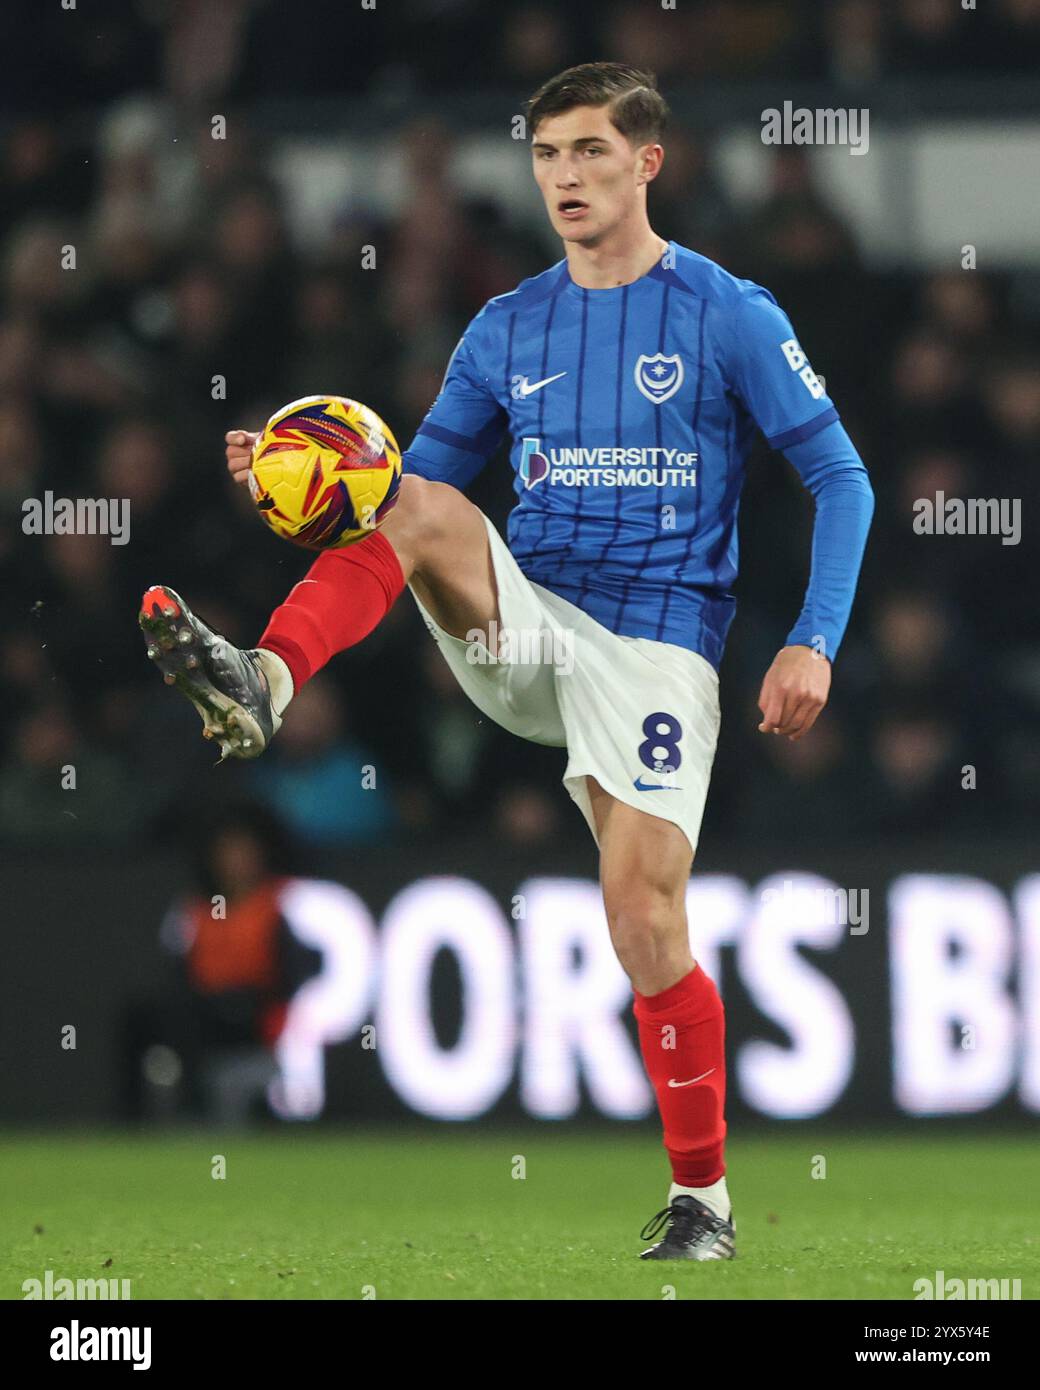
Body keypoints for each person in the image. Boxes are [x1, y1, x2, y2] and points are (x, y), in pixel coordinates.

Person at [139, 63, 874, 1259]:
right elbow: (396, 493)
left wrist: (812, 637)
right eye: (544, 156)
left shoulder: (728, 312)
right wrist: (298, 470)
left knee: (642, 919)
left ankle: (703, 1201)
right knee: (411, 503)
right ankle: (261, 681)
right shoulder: (506, 325)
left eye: (588, 152)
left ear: (647, 162)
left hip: (657, 647)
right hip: (525, 620)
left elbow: (841, 478)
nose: (563, 177)